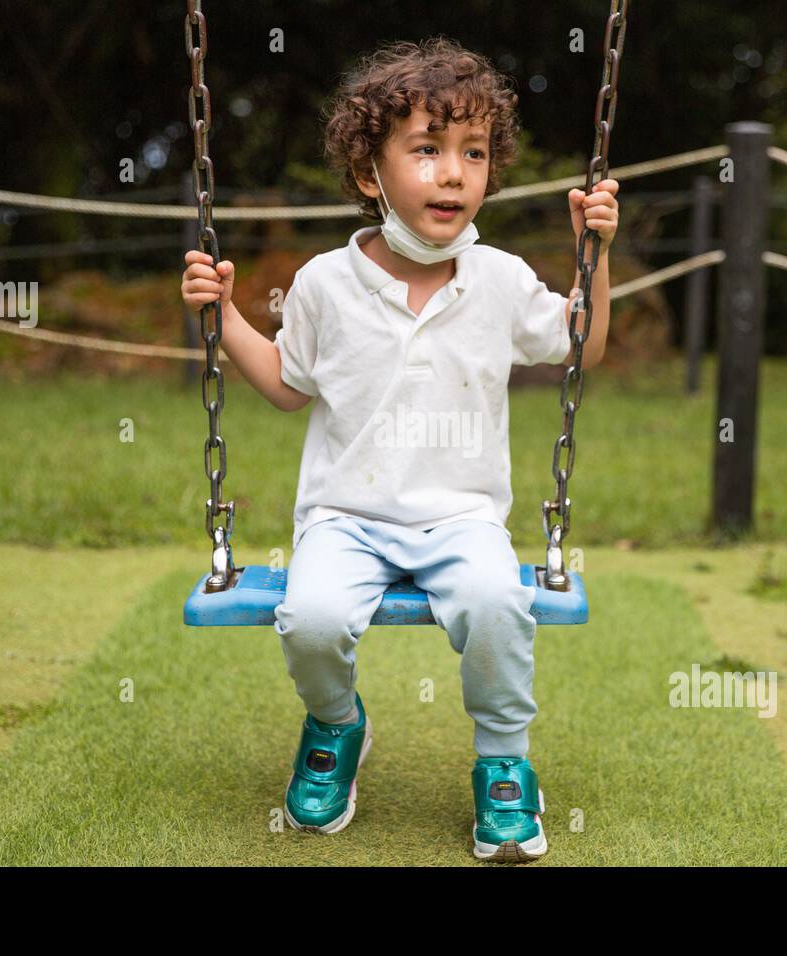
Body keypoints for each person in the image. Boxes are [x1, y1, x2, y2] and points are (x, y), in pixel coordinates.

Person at [180, 36, 618, 862]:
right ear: (367, 175)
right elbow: (285, 384)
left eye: (474, 153)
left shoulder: (499, 279)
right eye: (426, 150)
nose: (453, 172)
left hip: (462, 519)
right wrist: (226, 315)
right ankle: (337, 727)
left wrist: (593, 257)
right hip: (346, 516)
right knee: (309, 620)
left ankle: (503, 764)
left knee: (498, 608)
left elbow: (581, 346)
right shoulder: (323, 285)